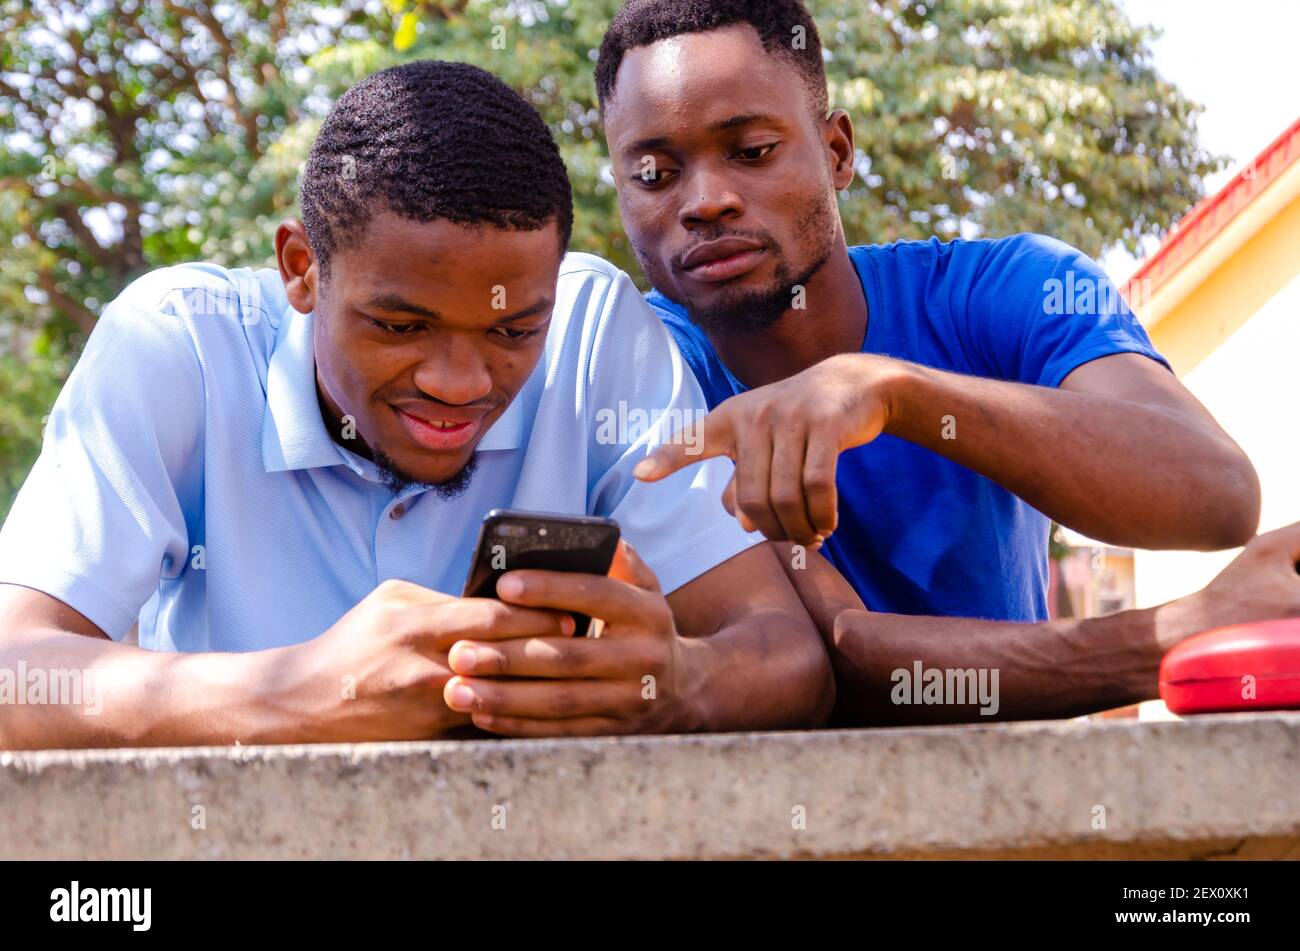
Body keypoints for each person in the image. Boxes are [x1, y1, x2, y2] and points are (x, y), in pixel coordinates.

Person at [0, 61, 834, 749]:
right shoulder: (179, 343)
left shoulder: (593, 331)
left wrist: (677, 682)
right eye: (401, 324)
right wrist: (299, 692)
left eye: (514, 328)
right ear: (302, 269)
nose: (460, 383)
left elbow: (786, 653)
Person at [595, 0, 1291, 722]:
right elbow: (846, 657)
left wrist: (896, 392)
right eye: (654, 173)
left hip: (1022, 798)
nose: (706, 201)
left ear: (836, 152)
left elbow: (1217, 495)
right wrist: (1182, 633)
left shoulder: (1015, 286)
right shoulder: (634, 365)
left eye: (752, 151)